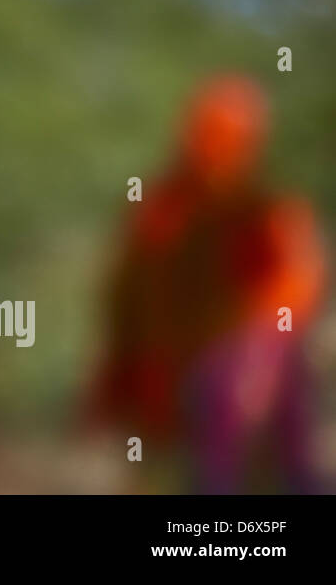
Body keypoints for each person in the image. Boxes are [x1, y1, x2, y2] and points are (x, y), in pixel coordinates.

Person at [82, 74, 327, 493]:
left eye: (233, 139)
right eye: (210, 136)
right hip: (171, 377)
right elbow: (126, 299)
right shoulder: (161, 209)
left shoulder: (269, 212)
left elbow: (291, 297)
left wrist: (258, 365)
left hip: (243, 372)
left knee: (235, 392)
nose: (218, 151)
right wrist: (114, 386)